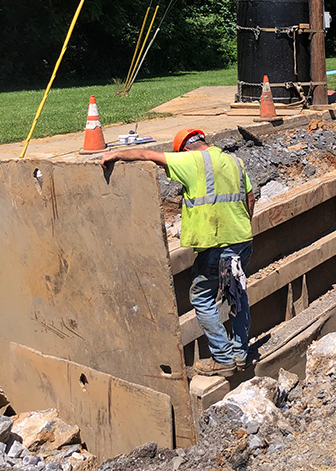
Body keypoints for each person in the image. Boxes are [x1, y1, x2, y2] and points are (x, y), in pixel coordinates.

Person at [101, 128, 255, 377]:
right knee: (236, 294)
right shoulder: (234, 161)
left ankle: (223, 358)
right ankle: (240, 355)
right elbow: (249, 197)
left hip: (216, 246)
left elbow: (147, 154)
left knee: (202, 296)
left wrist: (116, 154)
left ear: (184, 148)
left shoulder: (190, 160)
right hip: (241, 241)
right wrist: (243, 226)